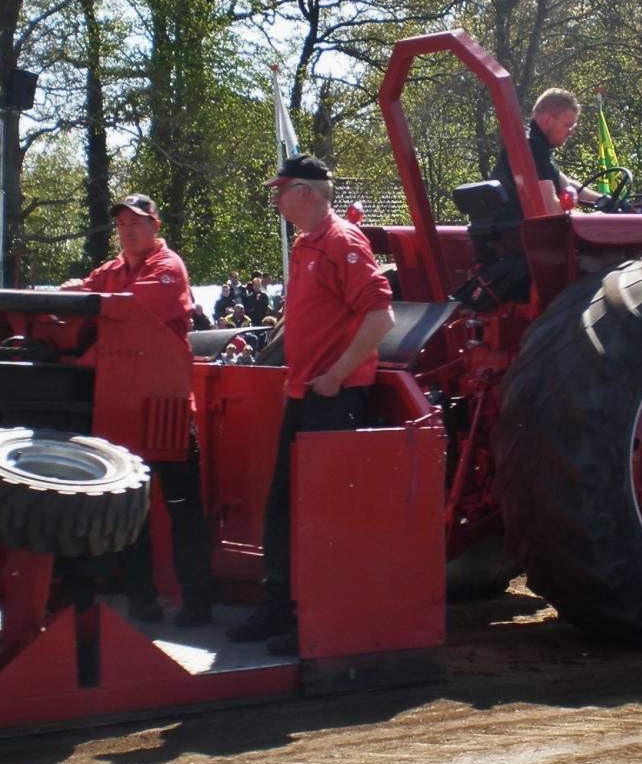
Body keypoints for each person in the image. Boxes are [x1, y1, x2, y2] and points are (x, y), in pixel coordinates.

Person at [228, 154, 394, 655]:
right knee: (283, 506)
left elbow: (381, 317)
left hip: (332, 396)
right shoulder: (306, 245)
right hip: (307, 393)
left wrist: (336, 377)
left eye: (281, 191)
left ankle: (316, 620)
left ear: (305, 192)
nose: (276, 199)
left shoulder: (342, 241)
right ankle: (279, 607)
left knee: (319, 513)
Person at [63, 193, 213, 627]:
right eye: (122, 223)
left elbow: (124, 310)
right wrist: (72, 292)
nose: (128, 229)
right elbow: (78, 300)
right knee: (131, 510)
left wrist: (83, 297)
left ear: (155, 225)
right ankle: (141, 600)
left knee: (184, 510)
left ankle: (197, 603)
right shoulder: (113, 270)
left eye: (137, 222)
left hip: (167, 409)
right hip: (124, 409)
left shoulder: (169, 268)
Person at [491, 88, 606, 220]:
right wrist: (596, 220)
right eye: (568, 125)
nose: (571, 132)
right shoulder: (532, 148)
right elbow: (550, 210)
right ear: (549, 121)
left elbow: (566, 184)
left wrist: (604, 200)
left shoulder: (533, 146)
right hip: (524, 235)